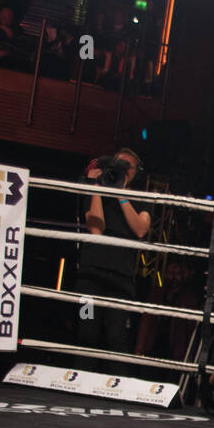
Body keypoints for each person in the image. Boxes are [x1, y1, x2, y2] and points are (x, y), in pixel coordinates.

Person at [74, 148, 152, 370]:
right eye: (119, 164)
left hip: (121, 278)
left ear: (135, 173)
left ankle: (117, 385)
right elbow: (96, 229)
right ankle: (78, 383)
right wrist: (98, 187)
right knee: (86, 329)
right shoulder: (93, 192)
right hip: (90, 275)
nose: (122, 170)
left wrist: (121, 195)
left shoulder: (142, 199)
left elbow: (141, 229)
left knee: (116, 335)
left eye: (128, 167)